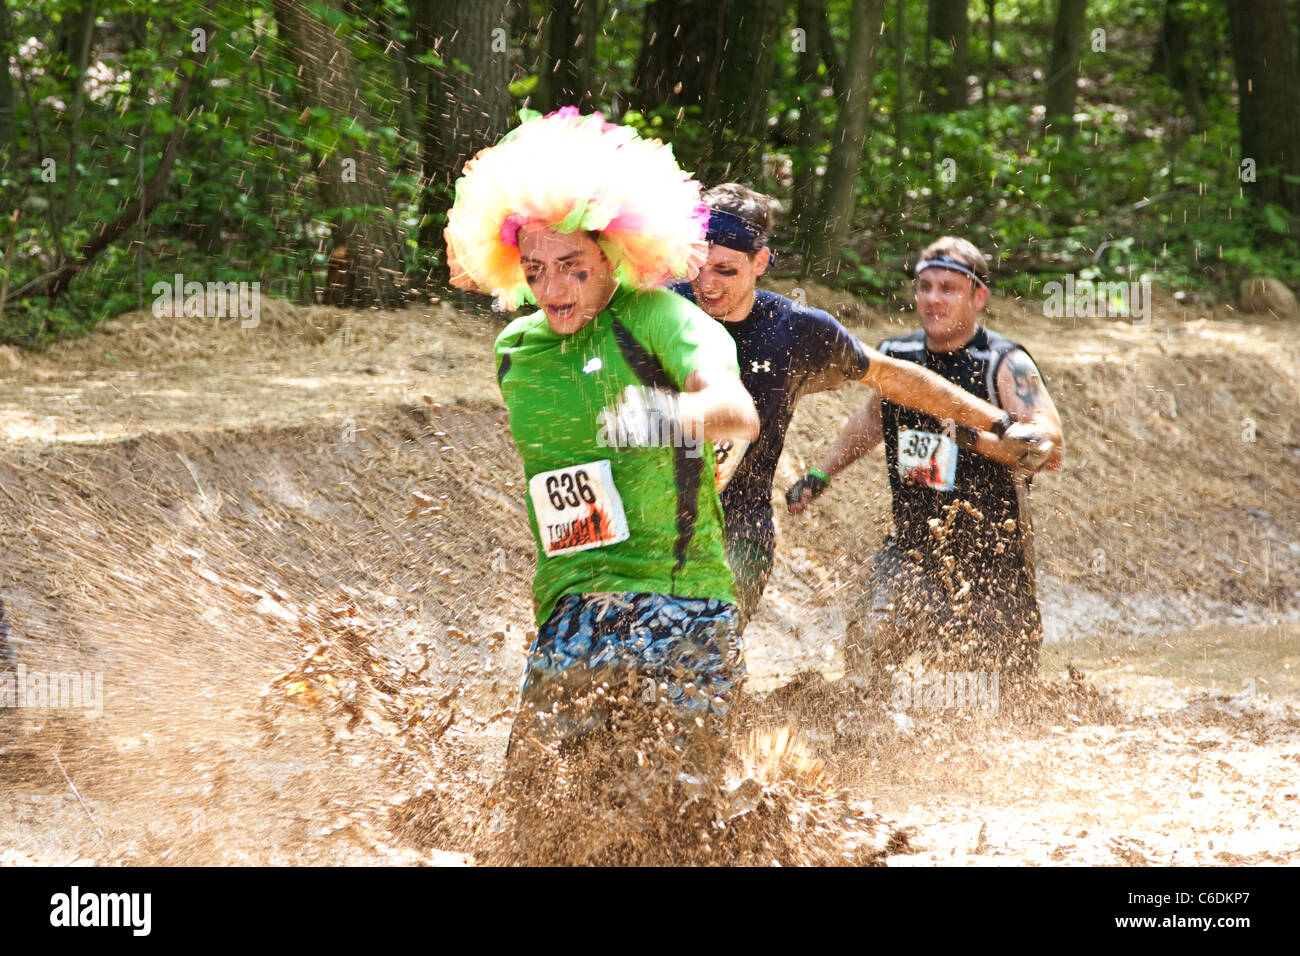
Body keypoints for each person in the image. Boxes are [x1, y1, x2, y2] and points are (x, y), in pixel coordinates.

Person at [443, 110, 759, 857]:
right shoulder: (516, 351)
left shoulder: (661, 320)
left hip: (680, 605)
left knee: (673, 834)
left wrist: (658, 418)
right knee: (533, 823)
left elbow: (735, 412)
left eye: (573, 267)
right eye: (534, 269)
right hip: (575, 606)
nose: (551, 288)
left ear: (615, 256)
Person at [672, 185, 1051, 630]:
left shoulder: (795, 330)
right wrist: (820, 475)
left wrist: (996, 424)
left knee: (704, 643)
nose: (707, 283)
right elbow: (875, 414)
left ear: (760, 262)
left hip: (738, 525)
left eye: (725, 270)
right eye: (698, 266)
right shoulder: (661, 307)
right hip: (653, 519)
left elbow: (896, 379)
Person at [787, 236, 1064, 681]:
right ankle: (867, 736)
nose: (933, 299)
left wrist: (965, 434)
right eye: (926, 286)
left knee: (1000, 692)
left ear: (978, 297)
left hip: (992, 559)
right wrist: (821, 474)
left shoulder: (1004, 364)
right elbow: (873, 420)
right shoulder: (899, 357)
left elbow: (1049, 448)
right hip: (914, 549)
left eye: (949, 288)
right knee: (868, 644)